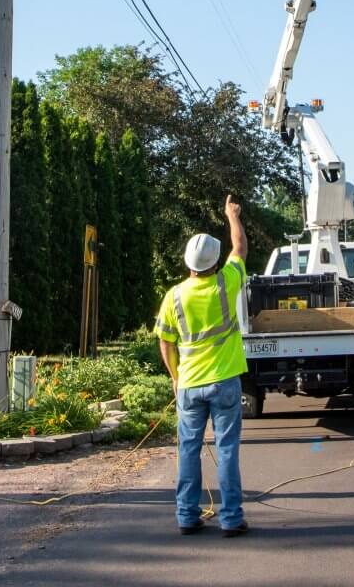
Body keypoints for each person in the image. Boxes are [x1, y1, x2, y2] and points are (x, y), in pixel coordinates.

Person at [156, 195, 250, 538]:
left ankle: (186, 516)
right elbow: (239, 247)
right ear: (213, 262)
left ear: (188, 262)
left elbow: (165, 342)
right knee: (226, 451)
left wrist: (177, 378)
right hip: (224, 381)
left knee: (188, 451)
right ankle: (230, 519)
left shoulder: (174, 296)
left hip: (190, 385)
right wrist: (231, 216)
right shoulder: (226, 281)